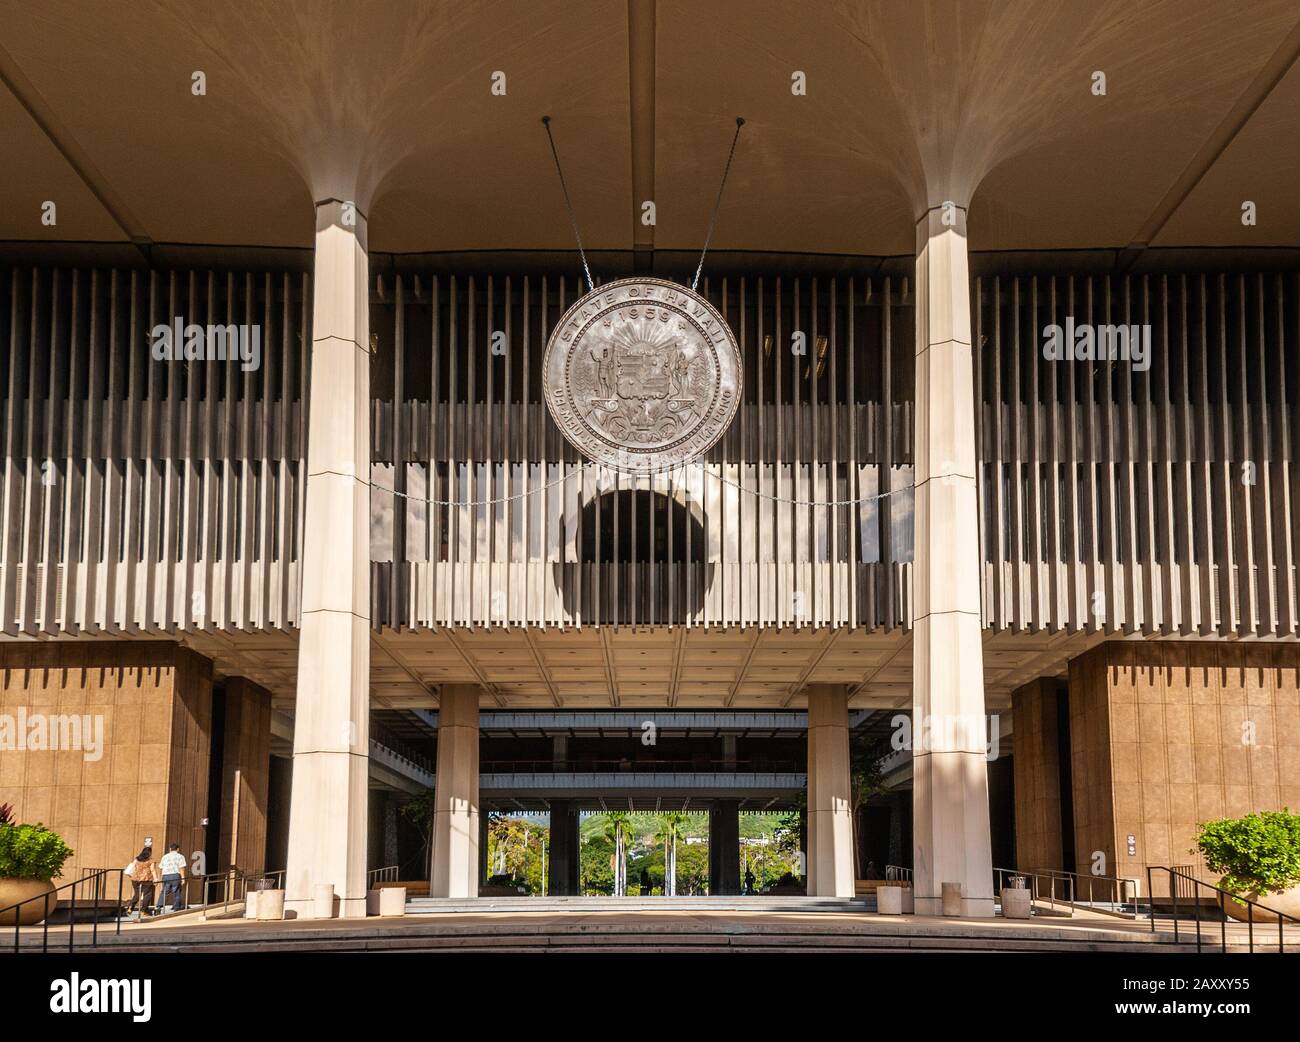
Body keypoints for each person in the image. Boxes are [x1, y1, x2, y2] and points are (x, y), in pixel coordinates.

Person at [123, 846, 158, 921]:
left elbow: (132, 866)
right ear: (150, 852)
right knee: (147, 894)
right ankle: (144, 910)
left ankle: (130, 907)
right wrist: (155, 878)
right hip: (146, 879)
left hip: (135, 878)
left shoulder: (137, 859)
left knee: (137, 894)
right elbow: (152, 870)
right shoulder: (151, 860)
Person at [156, 843, 188, 914]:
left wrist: (161, 876)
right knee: (177, 891)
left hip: (166, 875)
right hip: (175, 875)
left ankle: (159, 906)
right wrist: (183, 878)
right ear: (178, 849)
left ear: (170, 849)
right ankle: (176, 907)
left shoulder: (165, 856)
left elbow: (161, 867)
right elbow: (181, 867)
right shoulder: (180, 856)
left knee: (164, 891)